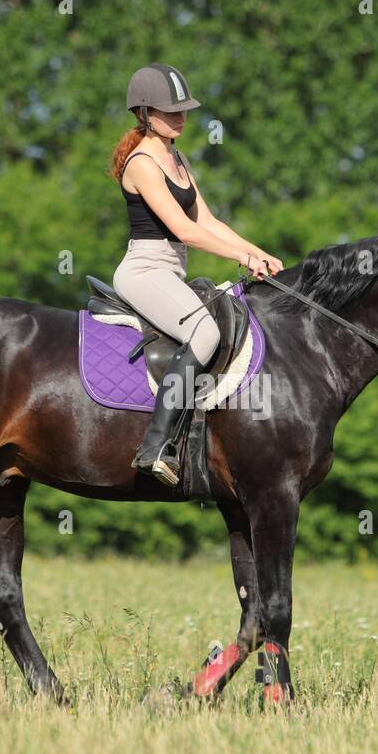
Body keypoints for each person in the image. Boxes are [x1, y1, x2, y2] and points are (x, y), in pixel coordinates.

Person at [108, 63, 283, 486]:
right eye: (172, 111)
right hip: (144, 271)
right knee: (205, 335)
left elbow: (206, 219)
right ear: (146, 113)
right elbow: (184, 230)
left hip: (170, 272)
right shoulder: (142, 164)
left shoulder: (178, 157)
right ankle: (154, 447)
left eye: (184, 110)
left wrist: (256, 252)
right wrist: (240, 259)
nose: (181, 118)